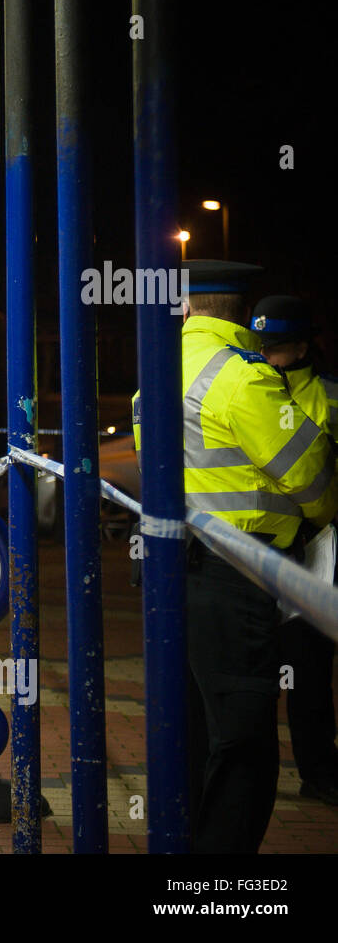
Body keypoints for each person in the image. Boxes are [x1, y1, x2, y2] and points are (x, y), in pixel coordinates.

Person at [149, 260, 338, 853]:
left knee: (192, 727)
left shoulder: (155, 368)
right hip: (236, 574)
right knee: (244, 737)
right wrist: (316, 514)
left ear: (187, 308)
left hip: (168, 570)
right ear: (238, 311)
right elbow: (311, 476)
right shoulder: (242, 376)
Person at [250, 294, 338, 805]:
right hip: (256, 552)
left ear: (304, 346)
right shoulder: (246, 385)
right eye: (261, 345)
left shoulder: (328, 397)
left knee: (308, 673)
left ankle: (318, 771)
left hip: (313, 556)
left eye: (277, 348)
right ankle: (253, 773)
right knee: (254, 676)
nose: (267, 357)